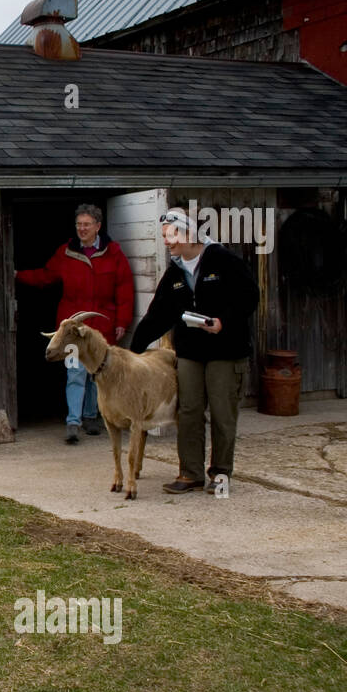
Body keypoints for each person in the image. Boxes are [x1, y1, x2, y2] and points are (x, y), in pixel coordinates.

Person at [130, 208, 260, 495]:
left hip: (226, 349)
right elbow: (158, 315)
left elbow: (249, 296)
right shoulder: (175, 273)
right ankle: (190, 473)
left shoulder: (222, 260)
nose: (168, 241)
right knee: (188, 411)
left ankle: (221, 474)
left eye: (173, 234)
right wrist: (131, 353)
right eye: (164, 236)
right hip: (190, 352)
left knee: (223, 413)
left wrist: (223, 321)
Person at [16, 203, 134, 443]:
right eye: (79, 224)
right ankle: (73, 422)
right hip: (72, 329)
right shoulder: (66, 253)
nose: (82, 228)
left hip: (101, 327)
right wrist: (18, 275)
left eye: (87, 224)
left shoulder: (114, 254)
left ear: (98, 226)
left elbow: (125, 290)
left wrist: (122, 321)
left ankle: (91, 417)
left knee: (95, 374)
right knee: (75, 372)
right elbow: (45, 276)